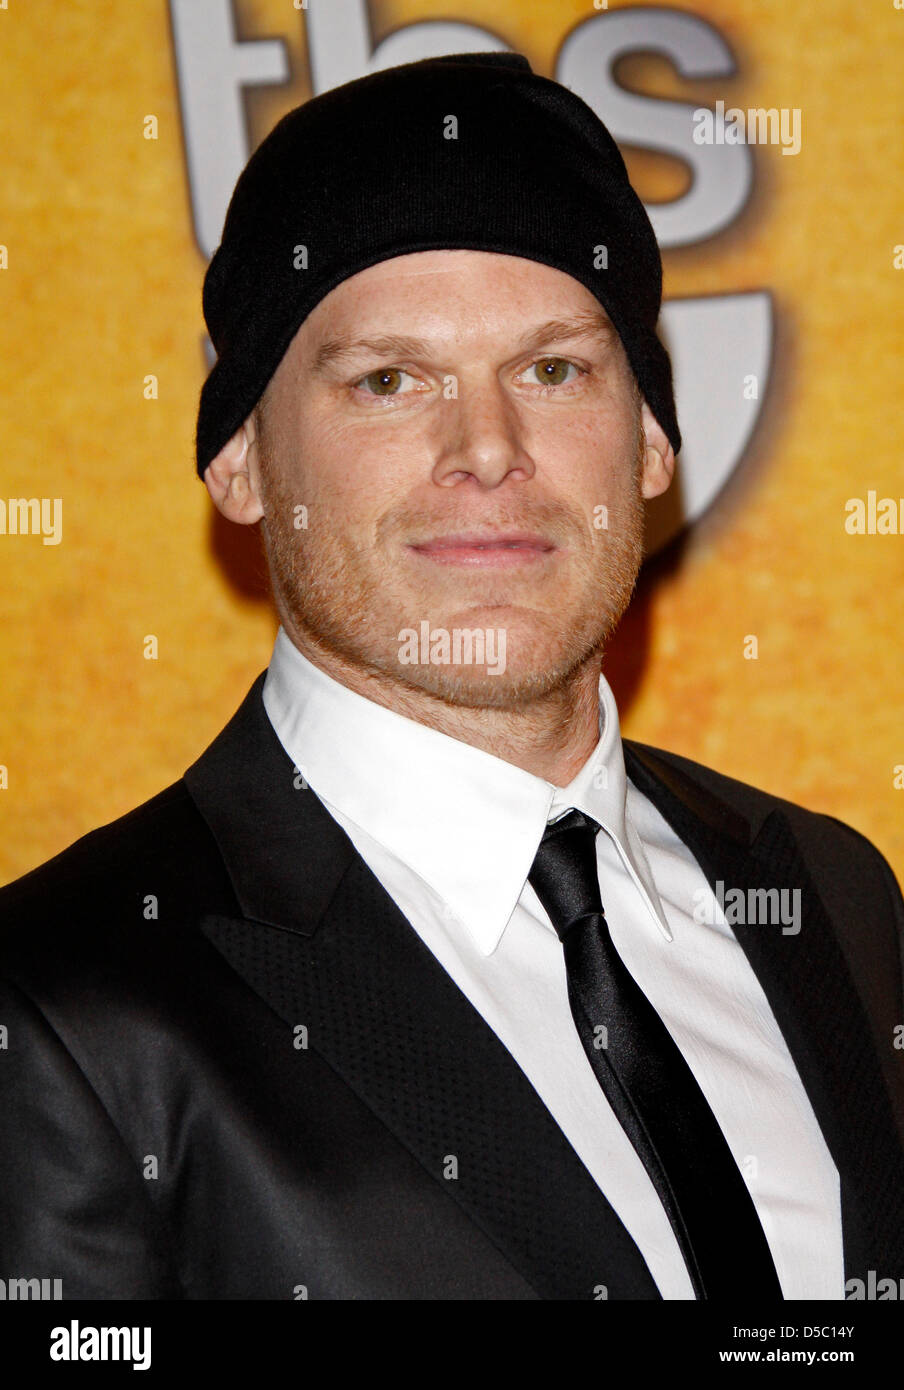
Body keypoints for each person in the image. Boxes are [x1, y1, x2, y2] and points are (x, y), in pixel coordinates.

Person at [1, 51, 902, 1302]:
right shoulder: (64, 1006)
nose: (487, 448)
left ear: (649, 441)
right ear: (240, 466)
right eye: (388, 381)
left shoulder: (829, 896)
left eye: (554, 370)